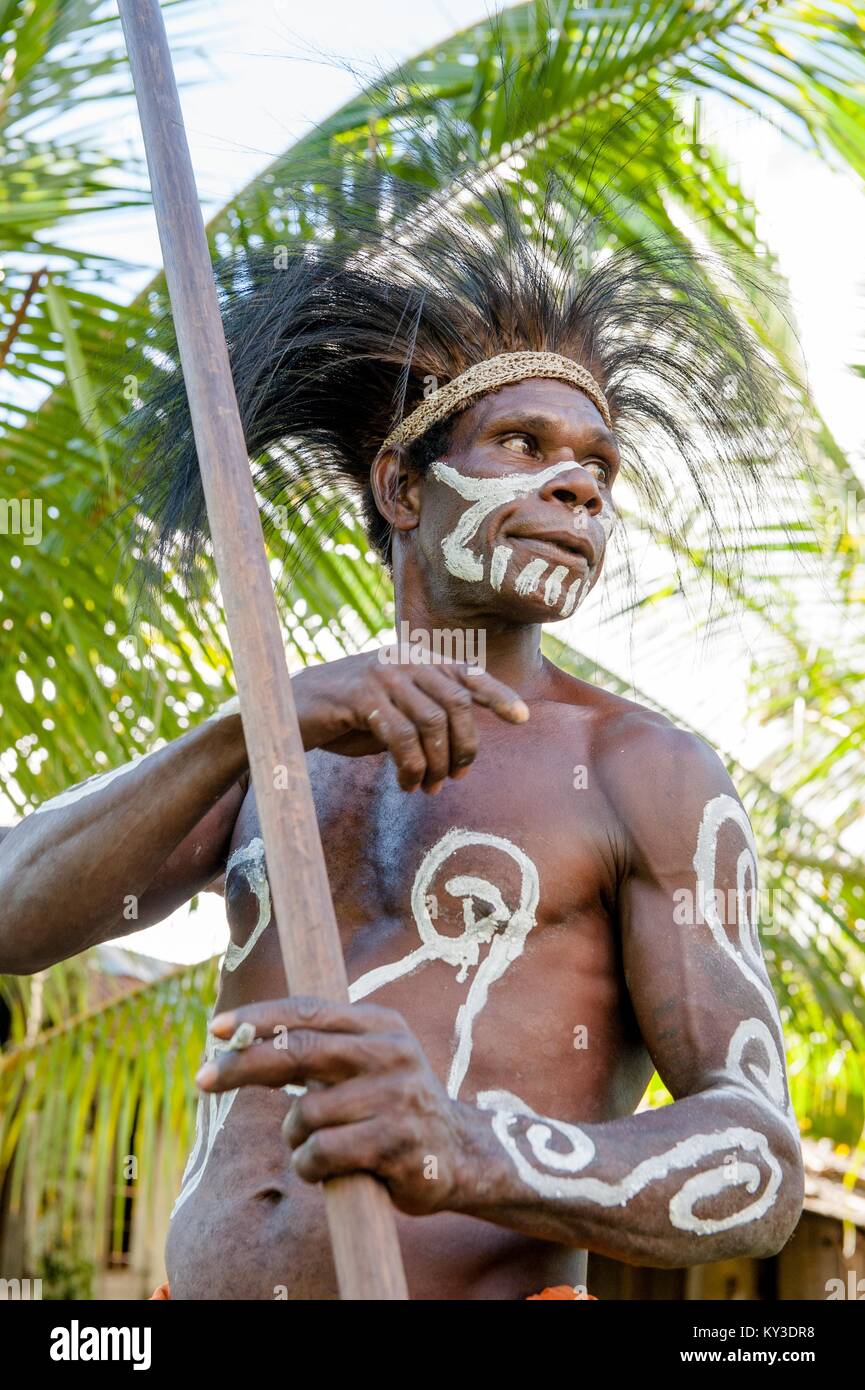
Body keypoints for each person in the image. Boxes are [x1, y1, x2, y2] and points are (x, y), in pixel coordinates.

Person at [0, 108, 804, 1299]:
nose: (575, 483)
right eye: (521, 443)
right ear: (401, 484)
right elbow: (14, 914)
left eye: (596, 466)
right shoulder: (278, 746)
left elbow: (759, 1163)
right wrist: (250, 724)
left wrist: (472, 1146)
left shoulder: (647, 770)